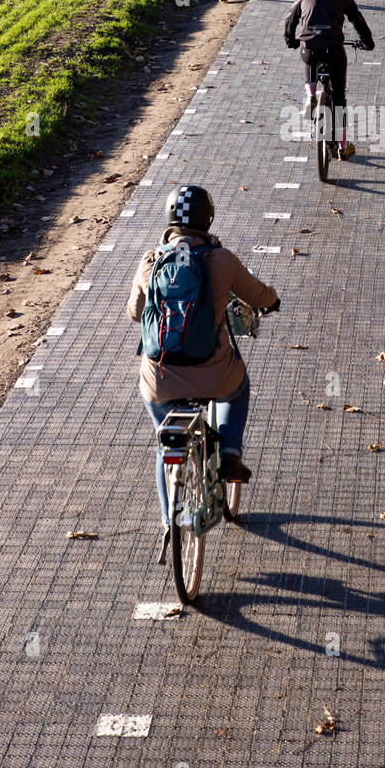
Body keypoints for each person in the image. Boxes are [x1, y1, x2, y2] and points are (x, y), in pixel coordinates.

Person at [126, 184, 279, 561]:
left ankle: (168, 520)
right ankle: (228, 451)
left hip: (159, 378)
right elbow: (259, 295)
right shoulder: (222, 260)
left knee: (166, 443)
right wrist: (273, 301)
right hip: (213, 371)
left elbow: (133, 312)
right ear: (207, 220)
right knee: (238, 388)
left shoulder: (151, 260)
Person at [284, 0, 374, 161]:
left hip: (309, 49)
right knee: (339, 98)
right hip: (333, 50)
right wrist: (368, 42)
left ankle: (311, 94)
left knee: (308, 53)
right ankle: (343, 146)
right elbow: (357, 20)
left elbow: (291, 18)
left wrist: (290, 40)